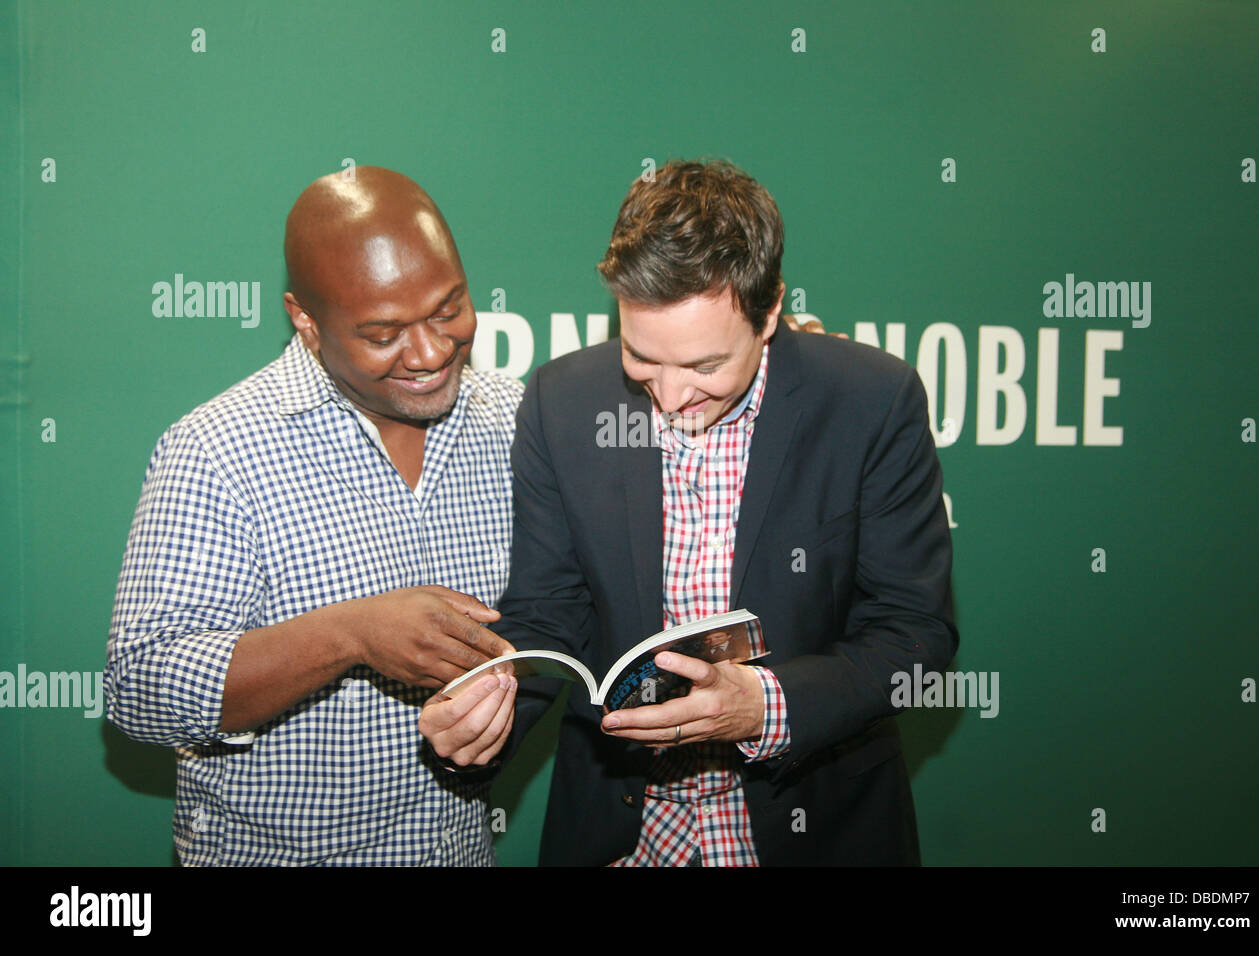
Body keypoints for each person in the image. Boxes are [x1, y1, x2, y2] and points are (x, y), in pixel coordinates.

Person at [466, 159, 959, 865]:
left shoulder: (870, 402)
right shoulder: (561, 402)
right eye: (642, 358)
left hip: (811, 829)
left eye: (703, 367)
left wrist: (765, 705)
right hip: (623, 835)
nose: (668, 398)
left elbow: (917, 634)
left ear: (769, 314)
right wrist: (493, 706)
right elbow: (550, 613)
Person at [106, 167, 523, 865]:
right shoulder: (216, 450)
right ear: (305, 319)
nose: (429, 352)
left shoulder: (512, 418)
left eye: (448, 308)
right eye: (383, 333)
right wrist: (349, 636)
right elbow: (140, 687)